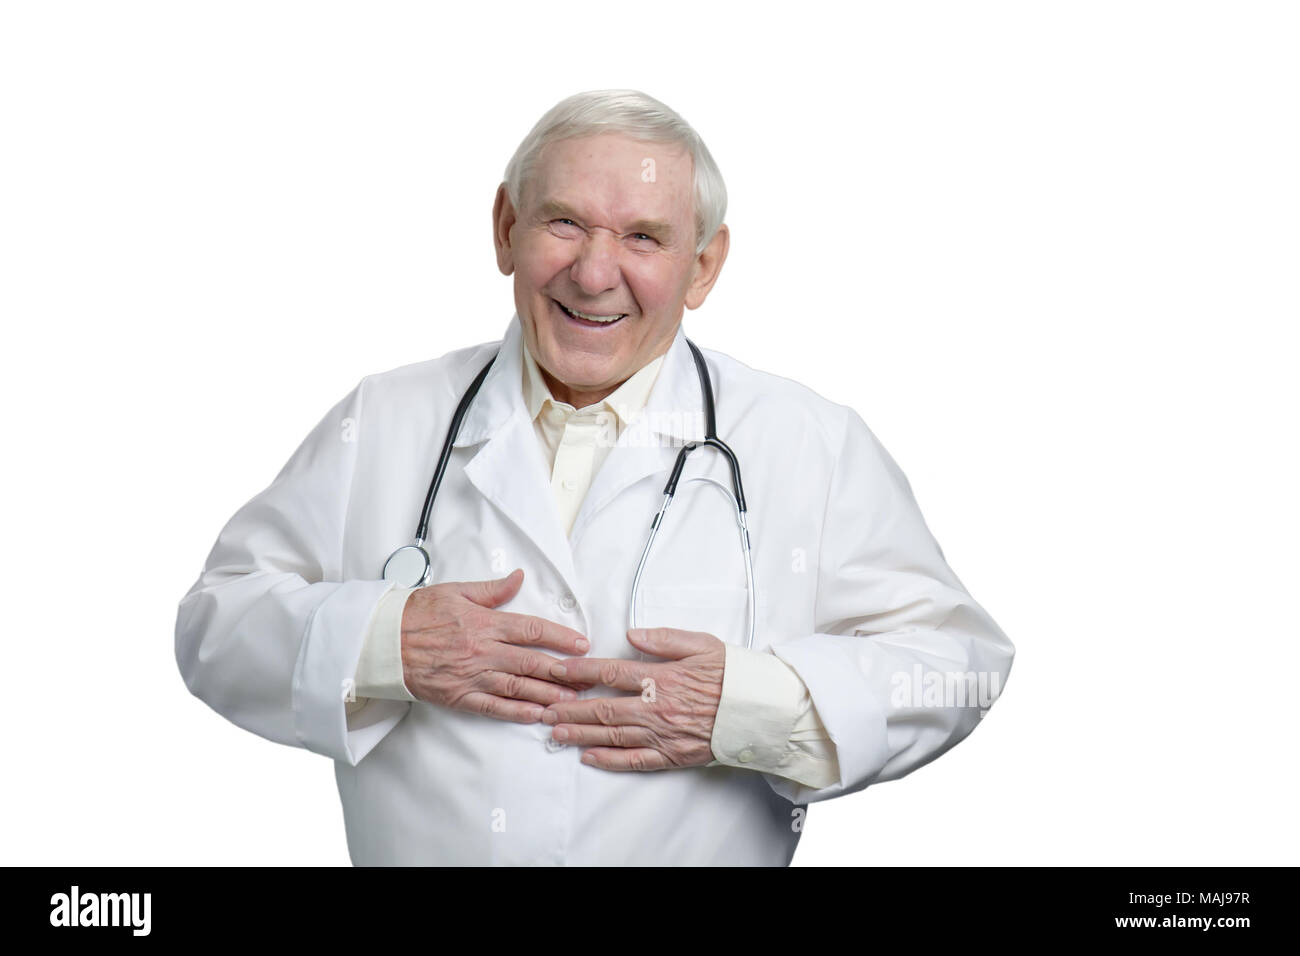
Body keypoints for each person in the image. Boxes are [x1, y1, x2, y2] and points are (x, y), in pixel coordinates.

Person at [175, 89, 1015, 866]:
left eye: (643, 237)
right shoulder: (386, 419)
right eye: (564, 222)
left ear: (704, 266)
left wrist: (750, 709)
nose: (593, 272)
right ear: (506, 228)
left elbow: (956, 662)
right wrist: (388, 644)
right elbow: (215, 623)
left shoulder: (809, 442)